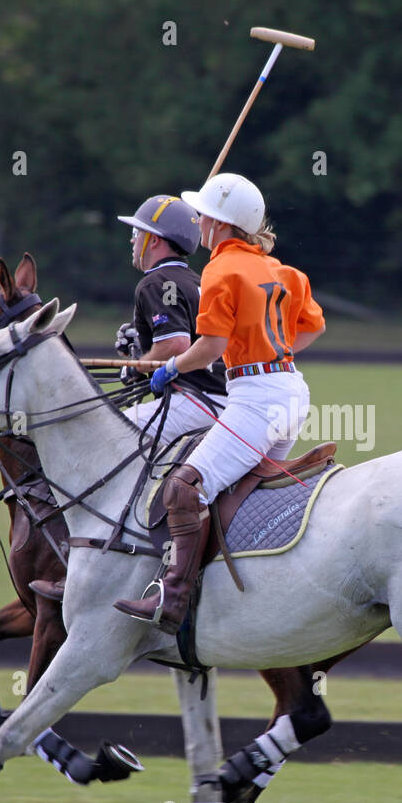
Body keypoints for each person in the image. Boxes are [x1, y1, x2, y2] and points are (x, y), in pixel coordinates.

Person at [115, 173, 325, 632]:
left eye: (205, 216)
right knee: (239, 495)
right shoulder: (284, 271)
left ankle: (171, 601)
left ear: (220, 225)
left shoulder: (221, 270)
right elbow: (312, 329)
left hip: (254, 400)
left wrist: (172, 368)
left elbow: (208, 347)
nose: (200, 223)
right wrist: (268, 348)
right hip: (291, 392)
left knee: (184, 488)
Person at [114, 194, 228, 445]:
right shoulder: (196, 280)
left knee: (111, 432)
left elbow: (175, 344)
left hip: (197, 401)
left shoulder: (157, 281)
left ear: (153, 241)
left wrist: (137, 366)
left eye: (137, 232)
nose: (133, 240)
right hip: (224, 400)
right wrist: (143, 342)